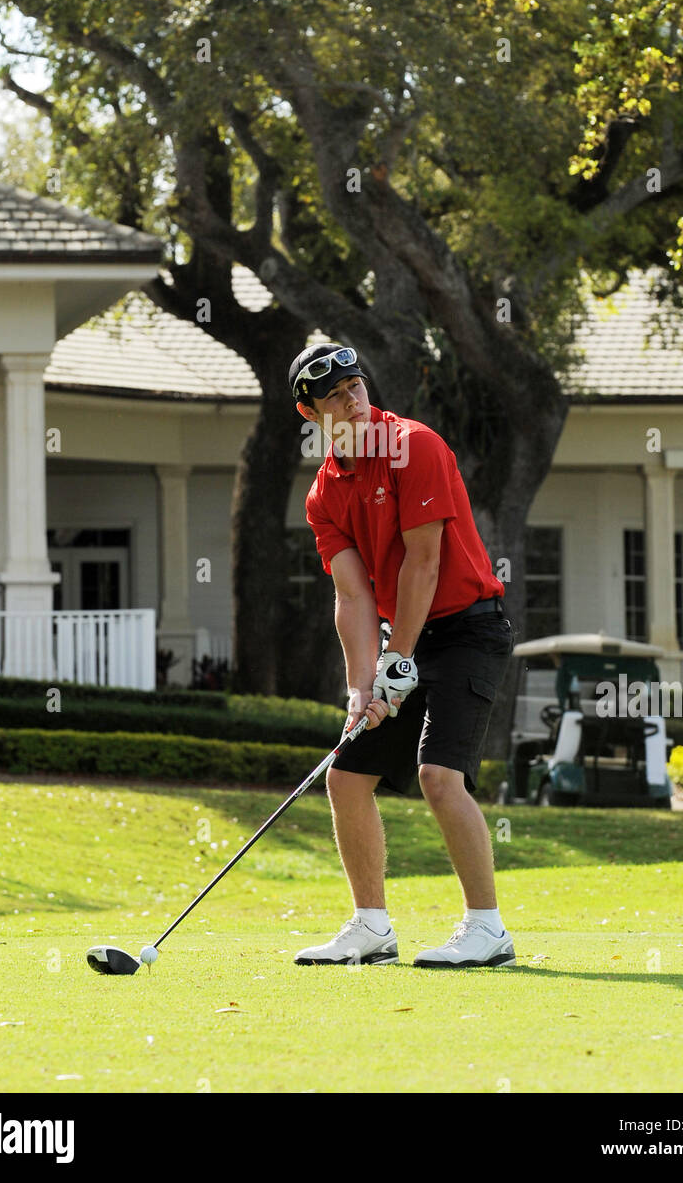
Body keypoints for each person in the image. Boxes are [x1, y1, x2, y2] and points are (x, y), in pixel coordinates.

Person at [288, 342, 516, 968]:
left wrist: (401, 659)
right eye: (334, 397)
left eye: (356, 387)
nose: (352, 402)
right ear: (311, 414)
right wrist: (362, 685)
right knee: (346, 776)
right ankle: (371, 928)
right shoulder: (324, 494)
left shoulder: (413, 445)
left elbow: (426, 561)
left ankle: (487, 929)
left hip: (469, 630)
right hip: (406, 641)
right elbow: (353, 596)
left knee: (439, 778)